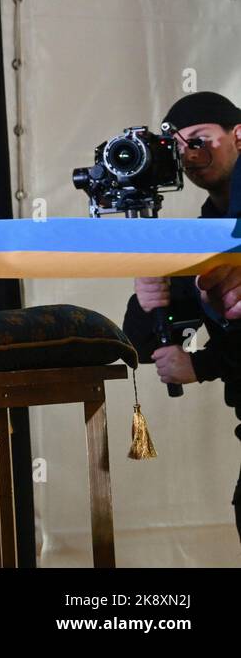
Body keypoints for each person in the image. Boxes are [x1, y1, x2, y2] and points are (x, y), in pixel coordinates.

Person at [123, 91, 241, 540]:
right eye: (179, 148)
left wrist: (204, 364)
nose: (190, 154)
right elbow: (142, 343)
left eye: (200, 139)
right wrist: (146, 297)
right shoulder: (206, 235)